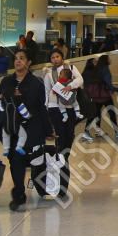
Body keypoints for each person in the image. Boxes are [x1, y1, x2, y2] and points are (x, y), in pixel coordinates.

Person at [0, 50, 49, 211]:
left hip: (32, 129)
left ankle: (40, 185)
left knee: (35, 161)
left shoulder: (36, 83)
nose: (18, 61)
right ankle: (19, 194)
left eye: (22, 58)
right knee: (15, 161)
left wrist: (49, 130)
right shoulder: (6, 82)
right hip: (11, 128)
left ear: (28, 62)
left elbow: (41, 108)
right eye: (16, 59)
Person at [42, 46, 83, 196]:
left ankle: (64, 155)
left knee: (66, 141)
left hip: (70, 107)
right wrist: (46, 109)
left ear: (62, 57)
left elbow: (80, 80)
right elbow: (46, 93)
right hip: (54, 109)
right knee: (61, 145)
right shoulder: (48, 74)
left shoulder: (71, 68)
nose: (55, 60)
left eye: (57, 57)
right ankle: (60, 182)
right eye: (52, 58)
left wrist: (69, 86)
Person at [86, 53, 118, 143]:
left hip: (96, 96)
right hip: (105, 95)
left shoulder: (97, 69)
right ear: (106, 60)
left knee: (94, 114)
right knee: (112, 114)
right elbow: (108, 83)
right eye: (109, 58)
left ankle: (86, 131)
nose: (111, 60)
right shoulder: (105, 69)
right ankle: (117, 132)